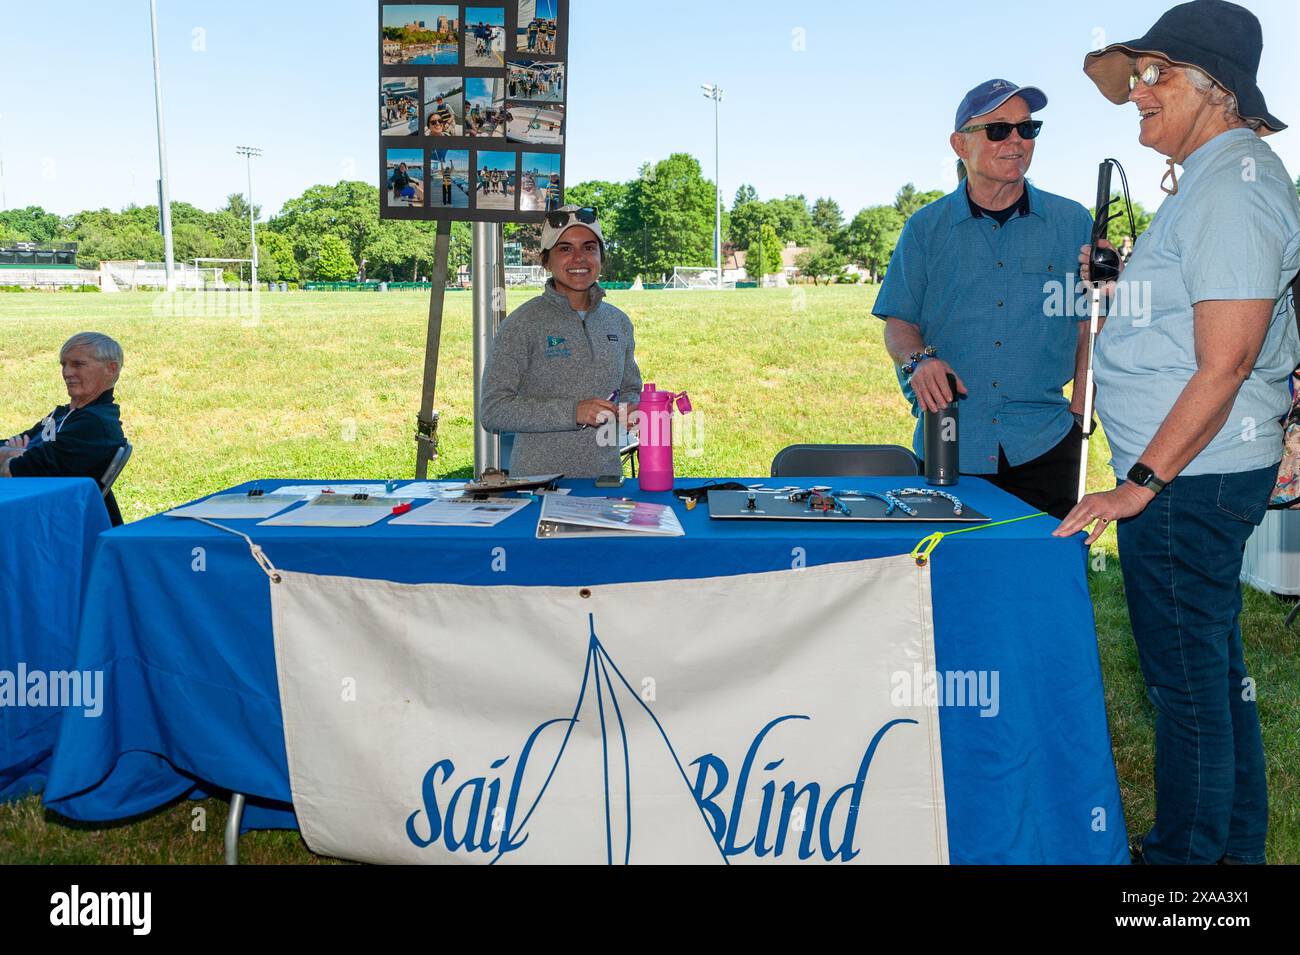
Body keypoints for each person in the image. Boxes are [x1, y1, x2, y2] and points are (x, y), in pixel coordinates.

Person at [1057, 0, 1300, 865]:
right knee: (1214, 674)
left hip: (1187, 478)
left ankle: (1184, 879)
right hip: (1196, 470)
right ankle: (1232, 859)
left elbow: (1225, 361)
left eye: (1157, 75)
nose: (1138, 93)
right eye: (1140, 76)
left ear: (1218, 89)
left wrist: (1141, 483)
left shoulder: (1234, 188)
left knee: (1189, 689)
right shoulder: (1216, 179)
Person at [872, 78, 1093, 519]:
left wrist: (1079, 417)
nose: (1016, 141)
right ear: (960, 145)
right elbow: (899, 323)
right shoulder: (925, 228)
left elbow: (1090, 324)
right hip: (949, 442)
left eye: (1026, 130)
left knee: (1038, 575)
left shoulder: (1072, 222)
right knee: (950, 573)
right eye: (998, 130)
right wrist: (920, 361)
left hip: (1047, 442)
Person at [481, 206, 642, 478]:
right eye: (565, 249)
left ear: (601, 257)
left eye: (589, 248)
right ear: (546, 261)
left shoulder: (618, 322)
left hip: (606, 483)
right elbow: (494, 409)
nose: (579, 258)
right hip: (538, 486)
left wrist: (631, 408)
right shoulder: (522, 324)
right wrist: (573, 412)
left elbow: (630, 388)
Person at [1, 332, 128, 524]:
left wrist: (17, 455)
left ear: (110, 369)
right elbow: (18, 447)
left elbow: (15, 472)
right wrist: (14, 452)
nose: (67, 373)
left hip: (55, 528)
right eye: (64, 364)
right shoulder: (61, 416)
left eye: (78, 364)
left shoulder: (94, 425)